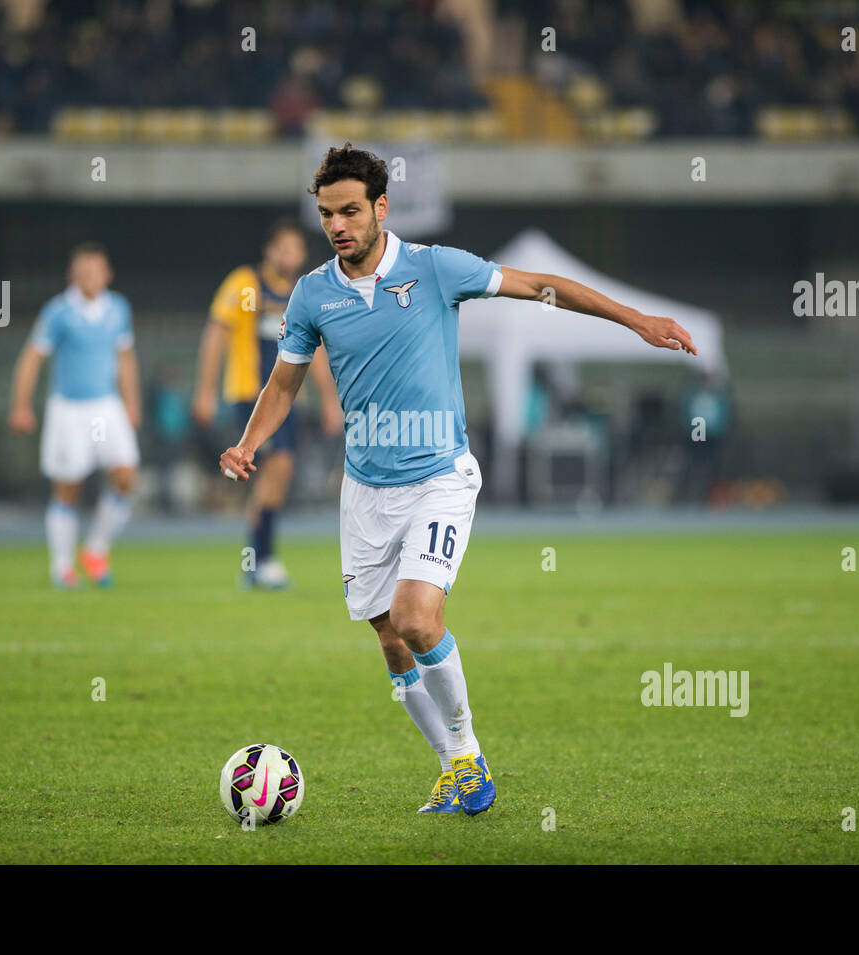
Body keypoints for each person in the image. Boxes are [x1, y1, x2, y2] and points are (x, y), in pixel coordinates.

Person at [220, 144, 697, 815]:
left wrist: (636, 319)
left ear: (381, 207)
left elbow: (541, 287)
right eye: (327, 213)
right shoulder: (312, 294)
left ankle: (469, 752)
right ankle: (450, 767)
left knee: (418, 618)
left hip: (439, 477)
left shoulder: (436, 268)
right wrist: (247, 443)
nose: (337, 225)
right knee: (389, 637)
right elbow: (283, 382)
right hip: (365, 490)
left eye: (350, 210)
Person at [194, 219, 340, 589]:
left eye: (296, 249)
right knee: (276, 467)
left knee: (280, 472)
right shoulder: (245, 284)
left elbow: (316, 351)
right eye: (283, 248)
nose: (289, 256)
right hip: (249, 394)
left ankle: (258, 560)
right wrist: (205, 391)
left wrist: (328, 400)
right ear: (269, 250)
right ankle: (261, 559)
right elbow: (216, 334)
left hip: (289, 398)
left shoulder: (303, 292)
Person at [9, 242, 140, 589]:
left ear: (107, 274)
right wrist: (21, 406)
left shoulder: (118, 309)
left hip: (106, 406)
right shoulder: (58, 312)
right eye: (83, 272)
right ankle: (62, 567)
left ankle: (96, 549)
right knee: (69, 486)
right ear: (72, 275)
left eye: (96, 271)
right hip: (68, 409)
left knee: (127, 477)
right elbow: (32, 357)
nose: (90, 277)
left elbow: (125, 357)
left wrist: (132, 402)